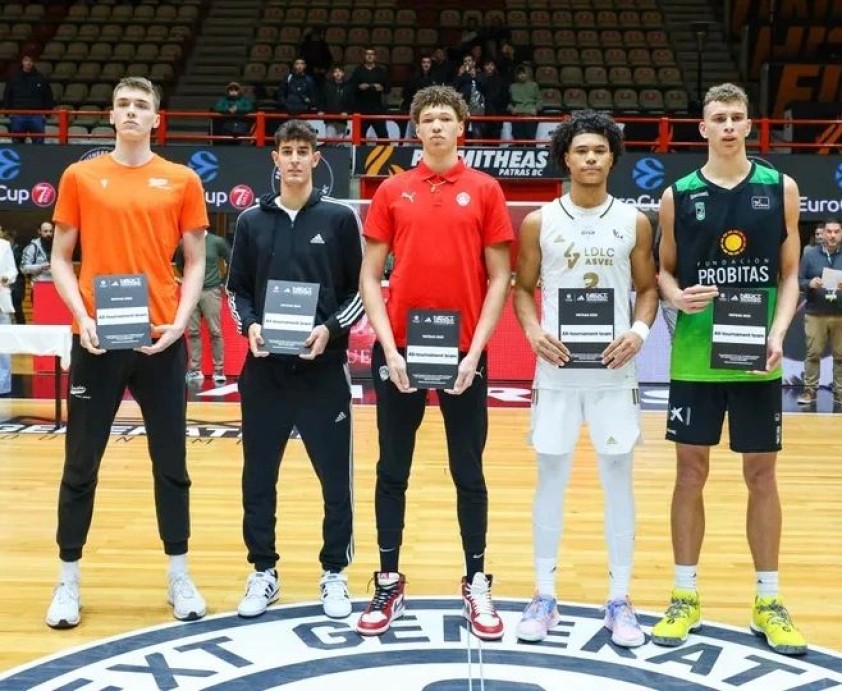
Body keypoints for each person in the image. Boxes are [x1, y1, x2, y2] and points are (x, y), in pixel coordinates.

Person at [46, 77, 209, 629]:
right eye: (123, 105)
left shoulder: (181, 179)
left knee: (172, 465)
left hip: (160, 339)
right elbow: (61, 257)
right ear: (111, 116)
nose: (133, 112)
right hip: (96, 340)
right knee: (80, 464)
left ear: (157, 118)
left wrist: (181, 322)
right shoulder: (80, 177)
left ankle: (178, 575)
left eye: (142, 105)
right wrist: (82, 316)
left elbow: (195, 262)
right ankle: (67, 580)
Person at [356, 85, 514, 640]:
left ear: (462, 127)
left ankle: (476, 579)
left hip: (464, 356)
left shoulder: (485, 189)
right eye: (428, 119)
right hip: (398, 354)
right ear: (416, 130)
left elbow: (500, 278)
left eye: (447, 118)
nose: (438, 126)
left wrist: (474, 352)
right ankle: (389, 577)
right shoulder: (392, 190)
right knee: (391, 470)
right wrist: (389, 348)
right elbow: (369, 277)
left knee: (468, 472)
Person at [653, 83, 806, 654]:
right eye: (717, 117)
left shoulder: (780, 187)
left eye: (737, 117)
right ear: (703, 128)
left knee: (761, 477)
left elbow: (789, 274)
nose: (727, 125)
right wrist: (674, 296)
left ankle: (768, 600)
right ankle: (684, 594)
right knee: (689, 475)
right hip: (696, 357)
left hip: (755, 360)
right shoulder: (678, 195)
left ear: (748, 126)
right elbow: (664, 271)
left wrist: (778, 331)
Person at [512, 110, 658, 646]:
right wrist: (531, 333)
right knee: (550, 478)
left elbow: (647, 288)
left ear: (612, 158)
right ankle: (544, 593)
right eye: (582, 151)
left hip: (613, 371)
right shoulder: (538, 221)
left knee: (617, 479)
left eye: (600, 150)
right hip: (557, 371)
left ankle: (620, 599)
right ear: (566, 158)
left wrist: (639, 334)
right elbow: (522, 288)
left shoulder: (634, 220)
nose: (591, 158)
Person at [226, 120, 364, 619]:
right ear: (275, 159)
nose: (295, 160)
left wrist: (330, 329)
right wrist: (251, 327)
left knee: (335, 479)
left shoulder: (340, 219)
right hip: (264, 371)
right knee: (258, 476)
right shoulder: (250, 222)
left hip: (323, 370)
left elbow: (358, 293)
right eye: (287, 151)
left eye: (304, 151)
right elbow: (236, 290)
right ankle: (264, 570)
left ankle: (334, 573)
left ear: (315, 158)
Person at [796, 218, 842, 406]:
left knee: (841, 356)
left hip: (840, 314)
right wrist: (810, 283)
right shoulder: (809, 255)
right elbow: (798, 280)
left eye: (836, 232)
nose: (832, 235)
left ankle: (840, 392)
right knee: (813, 353)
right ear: (822, 234)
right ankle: (809, 391)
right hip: (815, 313)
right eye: (828, 232)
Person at [176, 231, 231, 384]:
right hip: (190, 291)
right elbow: (179, 263)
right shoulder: (184, 243)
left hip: (211, 290)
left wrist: (223, 282)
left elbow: (232, 260)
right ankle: (194, 370)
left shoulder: (217, 241)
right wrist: (188, 279)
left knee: (215, 331)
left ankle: (219, 370)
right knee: (192, 331)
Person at [4, 54, 53, 144]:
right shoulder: (14, 78)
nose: (28, 63)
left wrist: (46, 114)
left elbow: (48, 97)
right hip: (18, 114)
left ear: (33, 63)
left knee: (39, 144)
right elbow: (7, 95)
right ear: (22, 62)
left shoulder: (41, 78)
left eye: (30, 61)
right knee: (17, 144)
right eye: (26, 60)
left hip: (36, 115)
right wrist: (8, 113)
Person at [0, 228, 17, 395]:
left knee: (3, 345)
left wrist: (6, 277)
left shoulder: (4, 246)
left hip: (1, 300)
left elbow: (13, 271)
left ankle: (2, 386)